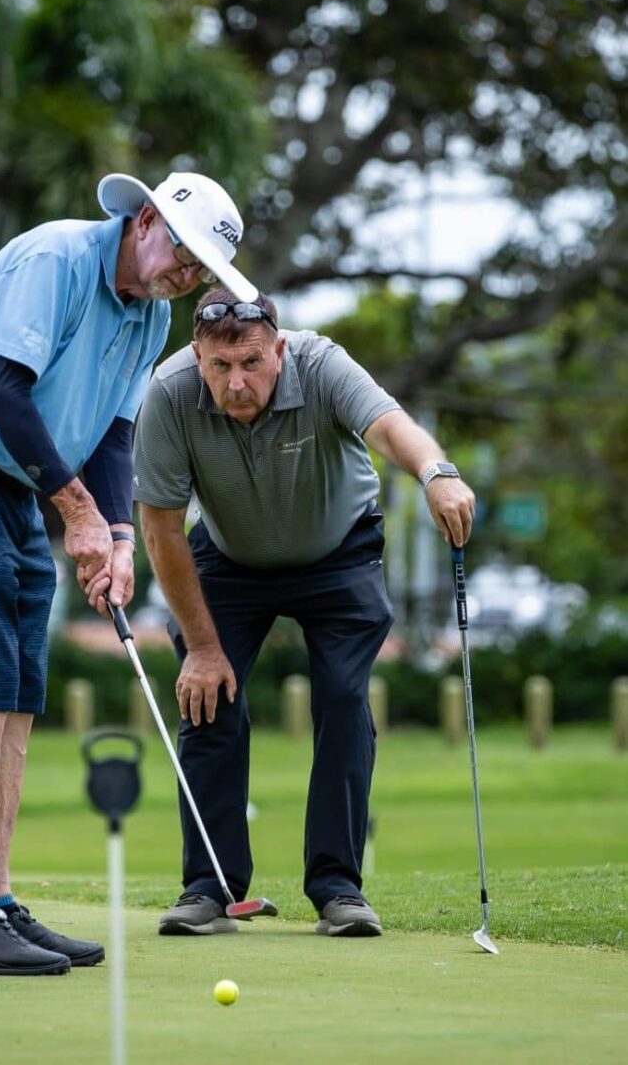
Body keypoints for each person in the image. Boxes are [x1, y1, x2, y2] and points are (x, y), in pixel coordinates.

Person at [0, 170, 257, 975]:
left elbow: (114, 436)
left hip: (16, 482)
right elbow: (3, 394)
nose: (186, 275)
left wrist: (119, 535)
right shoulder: (54, 259)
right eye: (184, 253)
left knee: (21, 692)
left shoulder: (151, 314)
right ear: (146, 220)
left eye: (201, 268)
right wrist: (77, 512)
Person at [133, 287, 475, 937]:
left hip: (338, 550)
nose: (236, 383)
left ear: (279, 351)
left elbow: (387, 425)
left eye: (251, 363)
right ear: (199, 358)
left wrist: (436, 473)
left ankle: (338, 887)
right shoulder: (169, 393)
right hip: (228, 557)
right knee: (208, 700)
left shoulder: (321, 365)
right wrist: (202, 649)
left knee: (343, 698)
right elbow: (162, 529)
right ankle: (209, 888)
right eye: (220, 366)